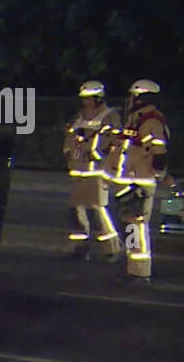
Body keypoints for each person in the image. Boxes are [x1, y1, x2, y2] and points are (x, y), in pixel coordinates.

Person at [104, 79, 170, 280]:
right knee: (129, 225)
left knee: (135, 226)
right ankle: (134, 266)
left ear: (141, 97)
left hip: (139, 182)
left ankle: (140, 272)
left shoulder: (151, 120)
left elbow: (159, 153)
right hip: (129, 180)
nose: (130, 100)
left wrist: (158, 175)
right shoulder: (136, 119)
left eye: (133, 96)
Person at [62, 81, 121, 261]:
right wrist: (68, 153)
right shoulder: (79, 116)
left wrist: (99, 156)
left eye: (89, 98)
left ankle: (111, 248)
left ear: (98, 98)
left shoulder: (110, 116)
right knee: (76, 209)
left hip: (96, 171)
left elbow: (116, 141)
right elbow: (70, 136)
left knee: (97, 209)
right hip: (79, 170)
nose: (86, 102)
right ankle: (80, 248)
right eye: (84, 99)